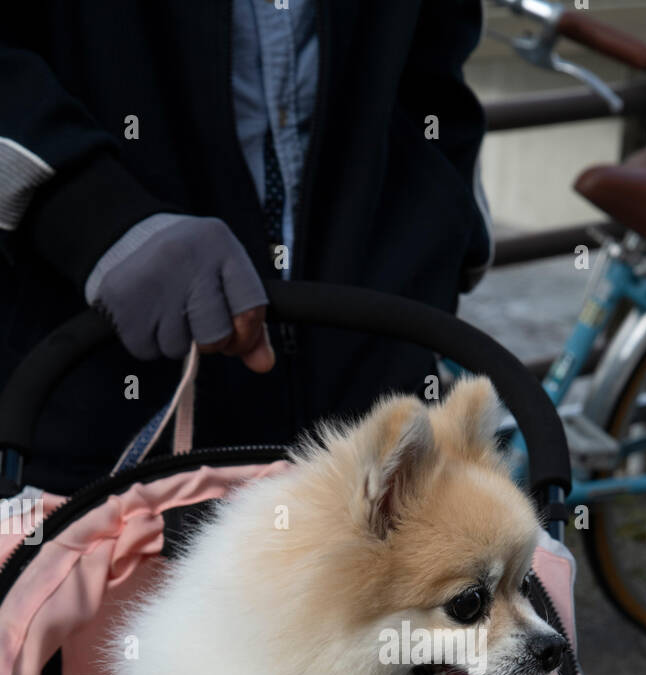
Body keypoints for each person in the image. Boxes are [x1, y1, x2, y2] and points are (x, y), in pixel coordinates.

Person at [0, 1, 492, 492]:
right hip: (85, 393)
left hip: (370, 403)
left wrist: (441, 236)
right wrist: (89, 215)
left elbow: (435, 65)